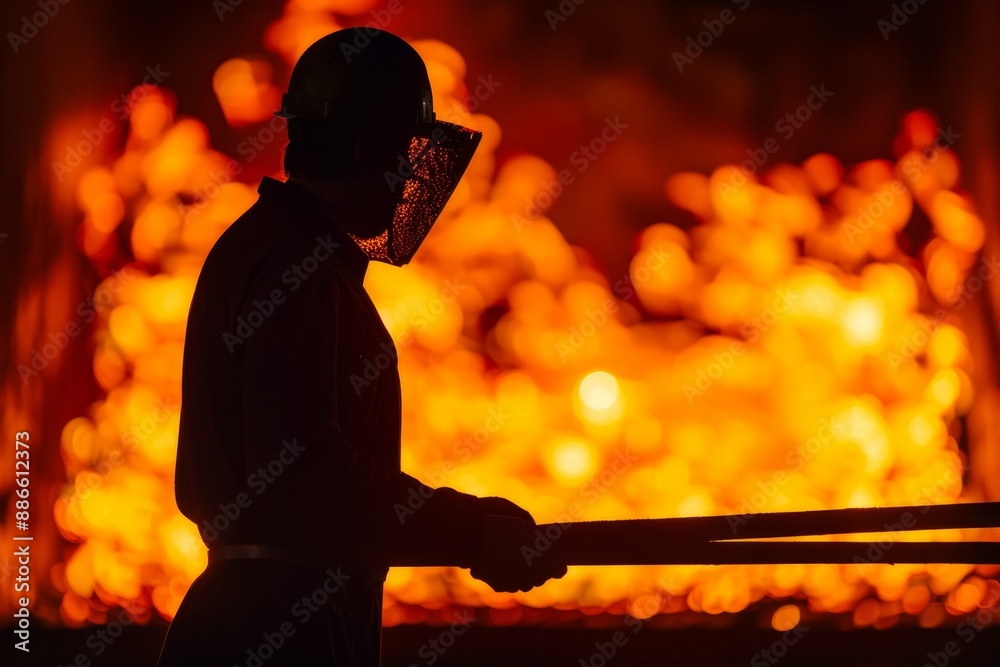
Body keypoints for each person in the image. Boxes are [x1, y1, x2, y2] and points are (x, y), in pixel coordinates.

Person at [156, 28, 566, 666]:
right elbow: (306, 477)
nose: (409, 180)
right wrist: (471, 532)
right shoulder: (301, 271)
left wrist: (472, 527)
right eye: (404, 153)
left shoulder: (273, 249)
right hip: (284, 632)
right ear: (363, 150)